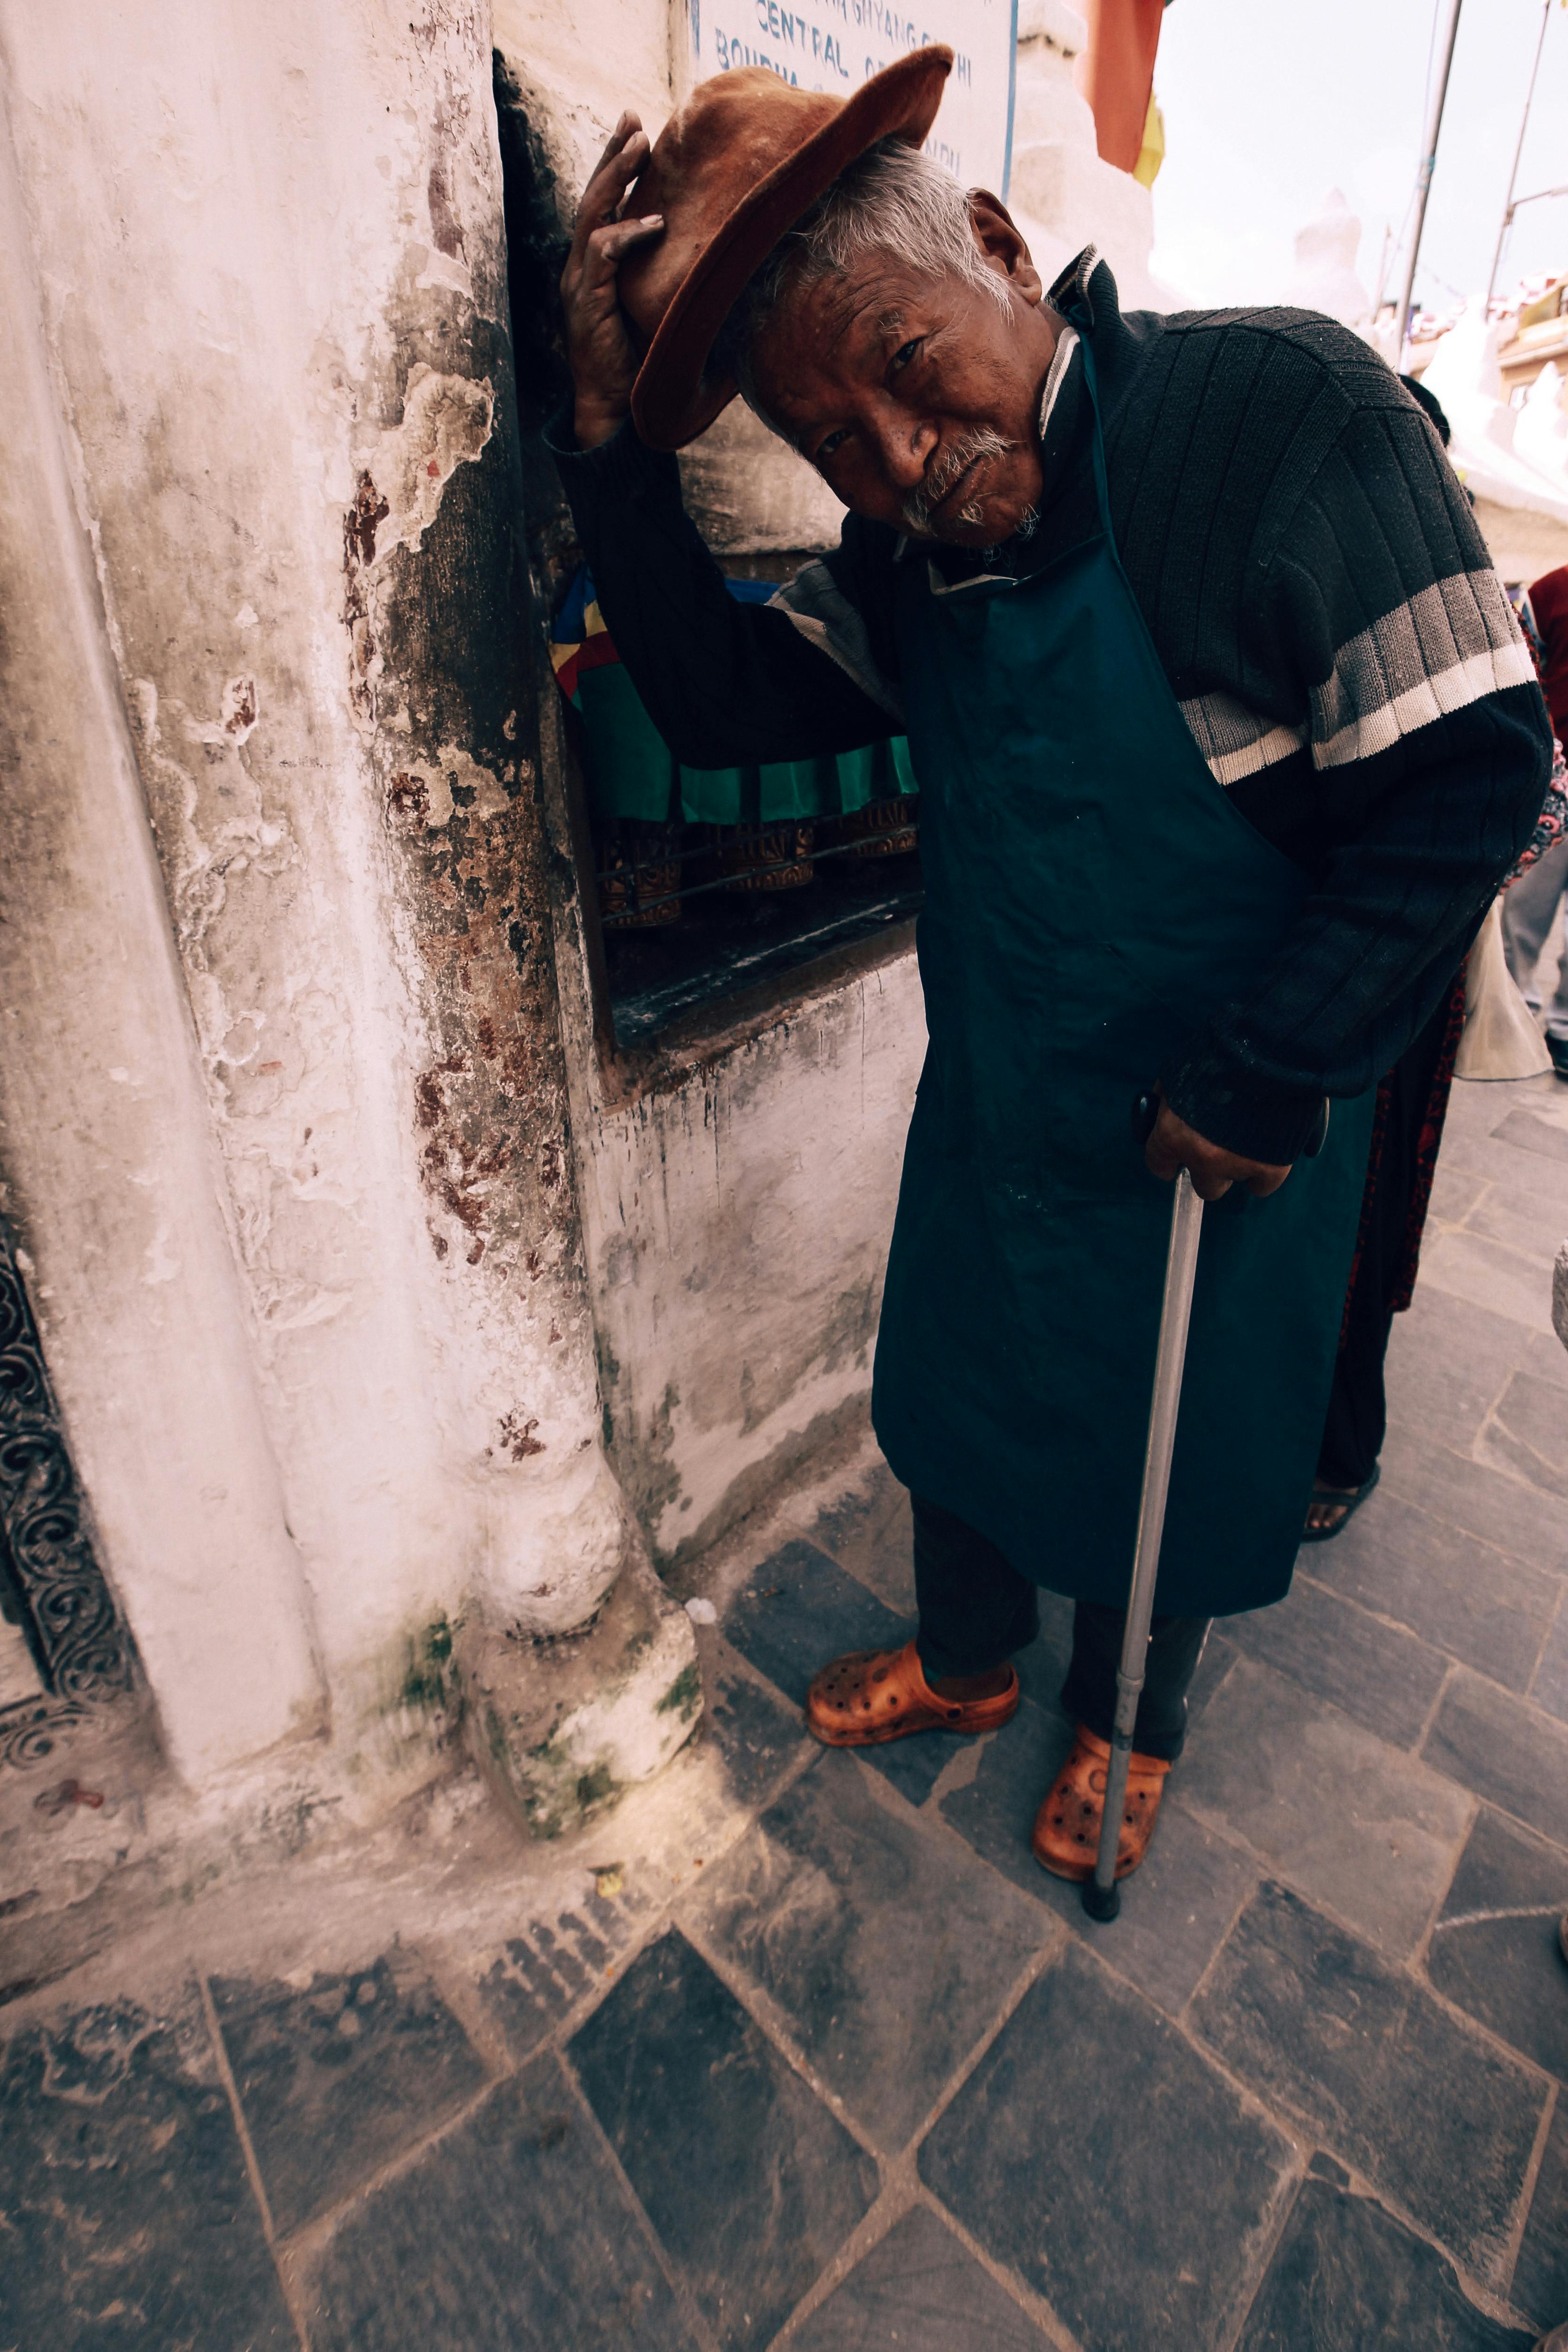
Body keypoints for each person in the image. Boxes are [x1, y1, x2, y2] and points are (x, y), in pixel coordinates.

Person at [551, 53, 1552, 1883]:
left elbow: (1473, 773)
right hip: (1003, 1094)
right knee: (958, 1387)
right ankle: (961, 1664)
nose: (903, 463)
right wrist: (613, 457)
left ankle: (1126, 1719)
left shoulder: (1271, 418)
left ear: (1001, 250)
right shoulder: (909, 566)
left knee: (1175, 1444)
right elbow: (713, 716)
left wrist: (1277, 1061)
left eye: (910, 371)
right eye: (834, 440)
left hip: (1216, 1127)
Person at [1503, 566, 1568, 1078]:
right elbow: (1522, 660)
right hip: (1552, 774)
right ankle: (1512, 1011)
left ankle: (1563, 1027)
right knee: (1525, 904)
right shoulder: (1556, 588)